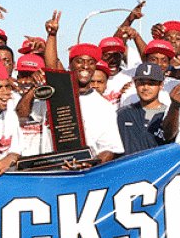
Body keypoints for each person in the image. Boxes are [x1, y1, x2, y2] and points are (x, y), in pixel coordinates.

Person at [43, 11, 124, 165]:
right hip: (49, 169)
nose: (85, 66)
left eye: (91, 62)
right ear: (70, 64)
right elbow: (51, 67)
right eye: (79, 61)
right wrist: (52, 35)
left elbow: (109, 148)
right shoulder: (59, 92)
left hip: (83, 173)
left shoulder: (104, 106)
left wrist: (92, 163)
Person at [116, 63, 169, 155]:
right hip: (128, 168)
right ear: (135, 83)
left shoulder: (169, 115)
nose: (146, 88)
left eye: (151, 83)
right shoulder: (122, 114)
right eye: (141, 83)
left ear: (161, 85)